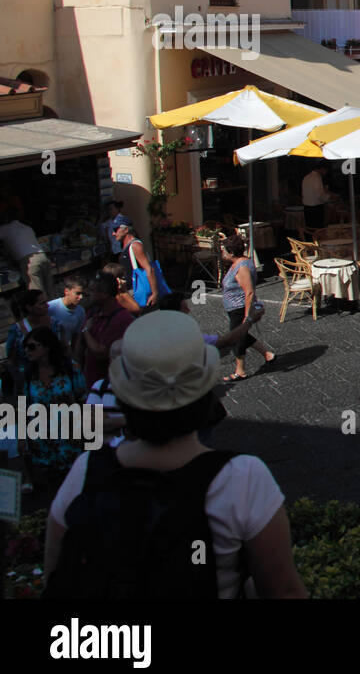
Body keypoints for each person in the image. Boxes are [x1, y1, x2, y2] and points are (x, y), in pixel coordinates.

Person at [44, 311, 307, 598]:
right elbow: (284, 591)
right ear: (205, 393)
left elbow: (54, 577)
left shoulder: (85, 471)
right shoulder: (241, 477)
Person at [20, 326, 88, 488]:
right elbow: (24, 406)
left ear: (47, 347)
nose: (27, 351)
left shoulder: (70, 369)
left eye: (32, 346)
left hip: (71, 440)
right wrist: (23, 438)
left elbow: (84, 400)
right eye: (25, 347)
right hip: (42, 443)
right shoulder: (29, 374)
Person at [219, 235, 274, 383]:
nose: (222, 252)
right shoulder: (240, 262)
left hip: (240, 308)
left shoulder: (242, 267)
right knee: (242, 336)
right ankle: (267, 354)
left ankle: (240, 371)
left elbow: (249, 292)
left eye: (223, 250)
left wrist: (247, 316)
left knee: (236, 338)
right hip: (236, 308)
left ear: (231, 252)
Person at [80, 273, 135, 387]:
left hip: (110, 388)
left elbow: (102, 352)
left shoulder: (121, 318)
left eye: (92, 290)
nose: (87, 294)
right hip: (90, 383)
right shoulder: (92, 313)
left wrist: (85, 331)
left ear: (104, 294)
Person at [0, 209, 54, 299]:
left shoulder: (5, 228)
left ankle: (43, 312)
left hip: (30, 261)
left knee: (37, 295)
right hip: (43, 256)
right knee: (50, 291)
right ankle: (54, 311)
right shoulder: (27, 227)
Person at [4, 288, 50, 392]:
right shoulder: (16, 331)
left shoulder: (56, 324)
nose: (47, 306)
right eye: (42, 303)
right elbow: (11, 361)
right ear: (29, 307)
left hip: (57, 378)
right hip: (30, 384)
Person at [113, 218, 160, 309]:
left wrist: (155, 293)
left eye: (116, 230)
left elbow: (148, 269)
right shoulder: (125, 246)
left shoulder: (135, 245)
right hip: (132, 289)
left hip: (138, 291)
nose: (113, 233)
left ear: (126, 229)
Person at [46, 278, 87, 349]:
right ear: (66, 291)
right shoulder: (51, 307)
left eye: (83, 294)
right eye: (78, 293)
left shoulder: (81, 312)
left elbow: (76, 335)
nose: (81, 297)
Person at [301, 161, 332, 230]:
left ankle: (309, 240)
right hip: (316, 209)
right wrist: (328, 197)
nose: (326, 172)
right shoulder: (317, 178)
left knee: (309, 229)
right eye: (326, 170)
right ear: (322, 169)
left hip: (307, 208)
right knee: (318, 231)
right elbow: (319, 195)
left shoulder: (306, 177)